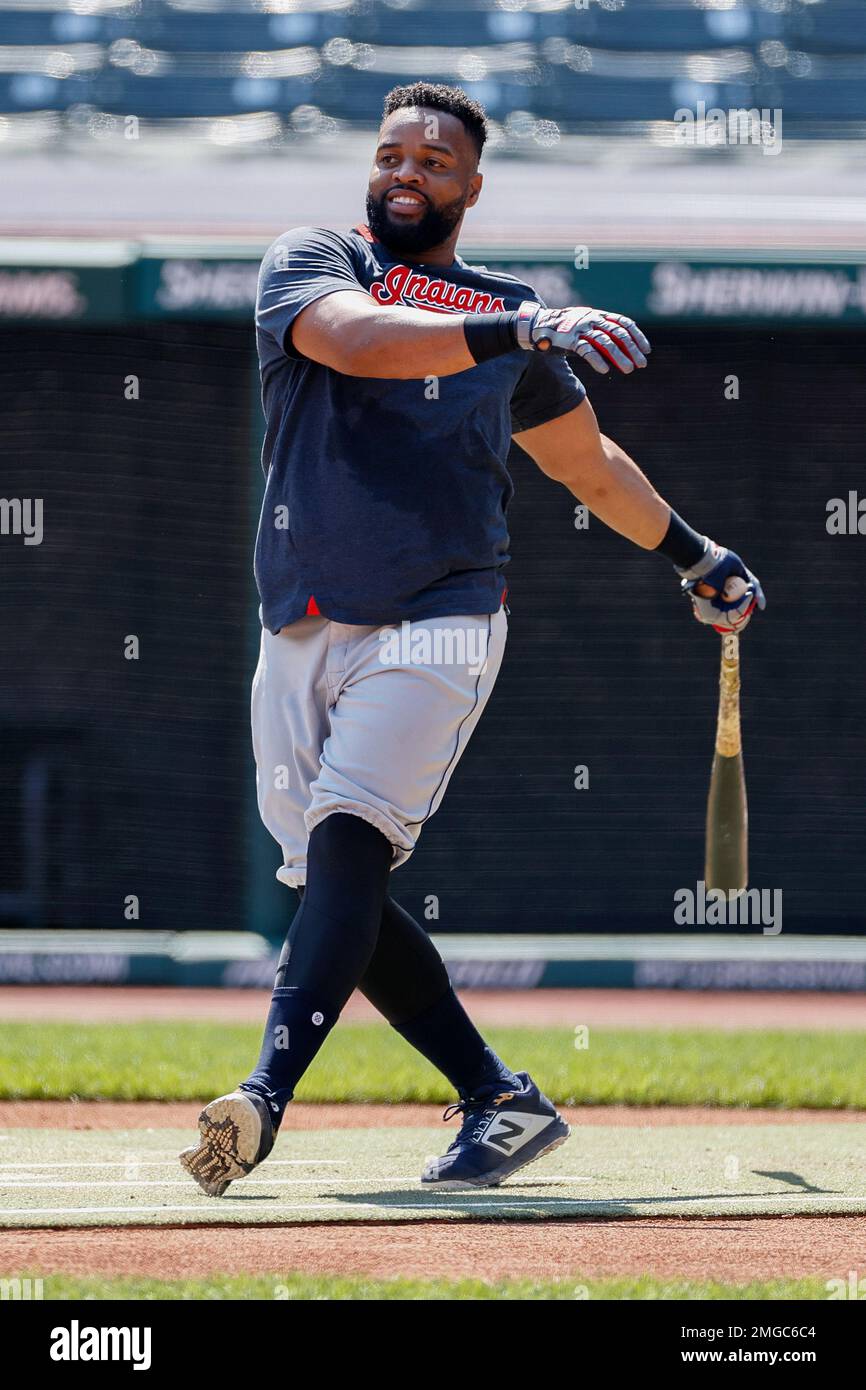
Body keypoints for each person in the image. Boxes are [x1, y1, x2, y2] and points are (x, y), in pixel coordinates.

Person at [180, 82, 764, 1197]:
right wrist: (523, 326)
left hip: (442, 616)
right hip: (301, 617)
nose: (406, 172)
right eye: (390, 155)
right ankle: (501, 1098)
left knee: (349, 840)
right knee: (330, 882)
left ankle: (261, 1096)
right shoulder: (314, 260)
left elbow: (586, 467)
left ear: (472, 187)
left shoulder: (507, 315)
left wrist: (694, 553)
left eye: (433, 161)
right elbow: (358, 342)